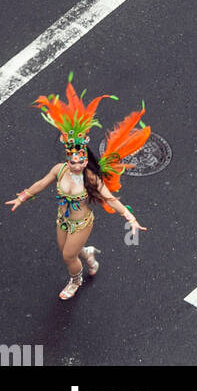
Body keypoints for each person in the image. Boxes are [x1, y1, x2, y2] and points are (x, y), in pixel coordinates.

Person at [5, 74, 148, 300]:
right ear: (67, 160)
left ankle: (76, 281)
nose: (77, 165)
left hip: (82, 224)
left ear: (85, 160)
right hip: (62, 219)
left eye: (81, 161)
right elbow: (41, 184)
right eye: (73, 161)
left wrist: (131, 219)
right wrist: (23, 196)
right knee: (68, 250)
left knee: (68, 256)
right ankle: (88, 254)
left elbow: (110, 199)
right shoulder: (59, 170)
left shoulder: (91, 179)